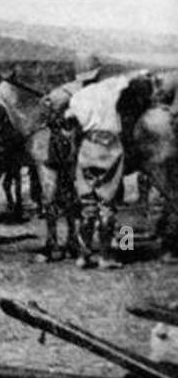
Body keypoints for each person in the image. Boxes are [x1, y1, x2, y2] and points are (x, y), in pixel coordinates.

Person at [67, 69, 134, 270]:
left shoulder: (76, 97)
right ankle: (109, 254)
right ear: (97, 74)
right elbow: (129, 80)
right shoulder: (109, 88)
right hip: (112, 146)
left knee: (88, 205)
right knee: (109, 203)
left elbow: (71, 119)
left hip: (88, 146)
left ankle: (83, 255)